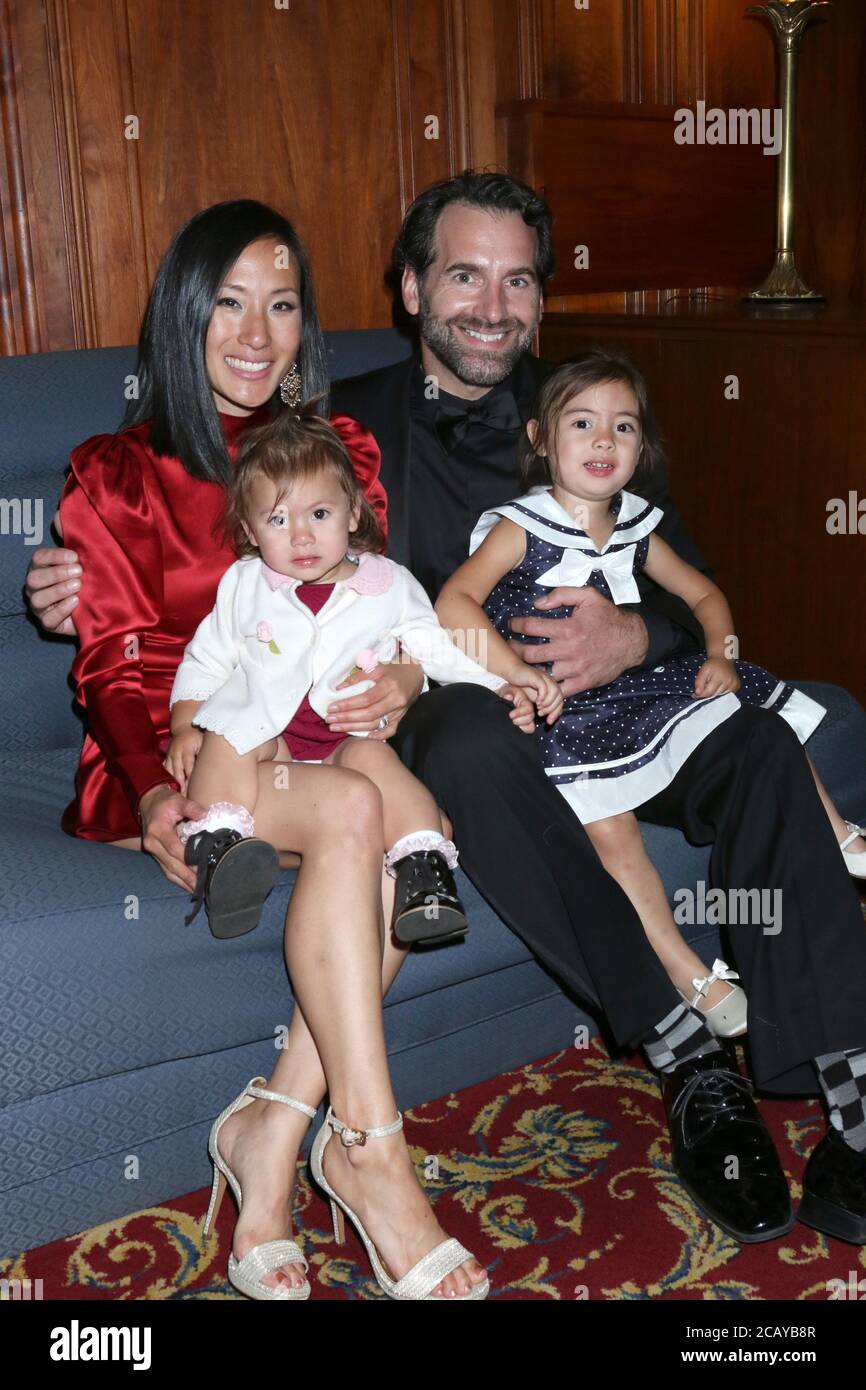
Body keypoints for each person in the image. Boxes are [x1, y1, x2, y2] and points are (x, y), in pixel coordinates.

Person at [26, 172, 866, 1247]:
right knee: (461, 744)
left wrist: (636, 636)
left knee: (754, 738)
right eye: (463, 275)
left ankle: (844, 1078)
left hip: (617, 708)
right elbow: (252, 547)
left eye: (516, 281)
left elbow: (684, 578)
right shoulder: (349, 427)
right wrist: (73, 584)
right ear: (413, 289)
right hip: (435, 713)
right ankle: (685, 1056)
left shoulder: (587, 405)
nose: (490, 305)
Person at [48, 198, 490, 1301]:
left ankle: (276, 1131)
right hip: (188, 752)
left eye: (282, 304)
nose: (256, 333)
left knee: (392, 815)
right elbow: (108, 666)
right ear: (184, 318)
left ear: (306, 328)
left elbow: (376, 604)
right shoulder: (114, 472)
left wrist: (398, 680)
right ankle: (370, 1153)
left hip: (318, 745)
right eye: (229, 303)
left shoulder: (339, 452)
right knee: (369, 815)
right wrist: (155, 792)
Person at [436, 350, 866, 1041]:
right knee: (611, 828)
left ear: (644, 446)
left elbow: (704, 594)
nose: (604, 441)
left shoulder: (641, 524)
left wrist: (723, 655)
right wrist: (509, 673)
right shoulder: (520, 526)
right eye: (582, 423)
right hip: (566, 709)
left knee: (750, 717)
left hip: (642, 688)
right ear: (541, 440)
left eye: (624, 427)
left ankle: (840, 834)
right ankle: (684, 969)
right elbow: (454, 602)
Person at [163, 405, 531, 943]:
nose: (302, 538)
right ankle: (221, 853)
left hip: (345, 737)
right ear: (249, 529)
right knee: (226, 739)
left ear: (354, 513)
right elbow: (206, 656)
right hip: (270, 741)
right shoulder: (244, 585)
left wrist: (499, 682)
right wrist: (184, 722)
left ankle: (424, 870)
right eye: (277, 520)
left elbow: (437, 647)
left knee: (378, 769)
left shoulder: (389, 584)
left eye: (319, 515)